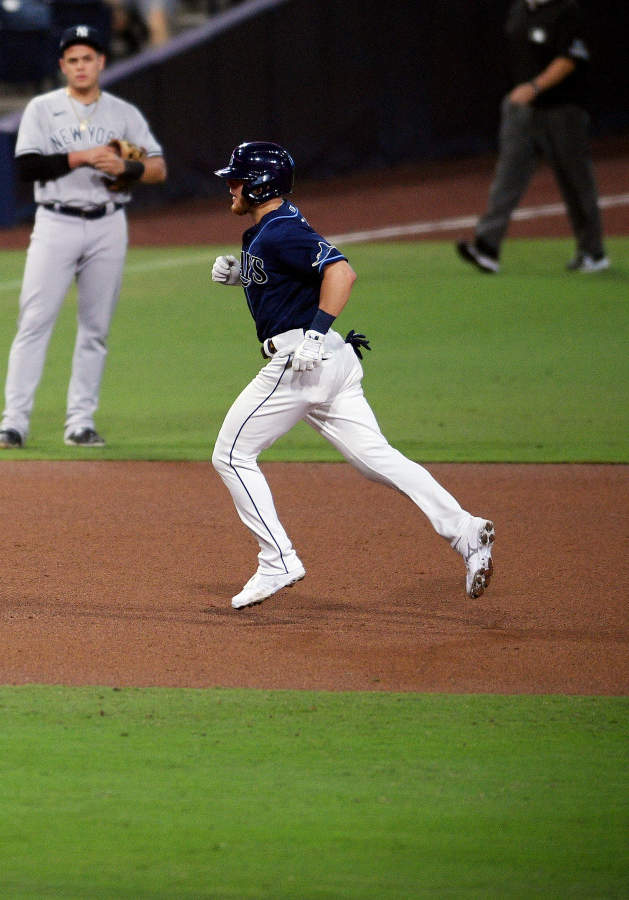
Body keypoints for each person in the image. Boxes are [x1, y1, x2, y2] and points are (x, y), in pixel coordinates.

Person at [209, 141, 495, 610]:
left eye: (236, 180)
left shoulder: (280, 232)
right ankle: (465, 531)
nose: (230, 187)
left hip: (303, 360)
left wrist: (315, 336)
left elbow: (341, 273)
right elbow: (290, 276)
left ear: (260, 185)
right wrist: (243, 275)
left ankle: (277, 559)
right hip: (332, 365)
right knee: (375, 458)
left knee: (231, 454)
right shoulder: (270, 230)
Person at [0, 25, 166, 450]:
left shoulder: (124, 112)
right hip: (55, 223)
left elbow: (158, 168)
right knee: (33, 322)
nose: (81, 66)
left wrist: (129, 169)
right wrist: (82, 156)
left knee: (96, 328)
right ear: (62, 66)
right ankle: (13, 423)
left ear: (101, 63)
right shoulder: (42, 108)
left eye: (88, 58)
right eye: (73, 60)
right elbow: (28, 167)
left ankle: (80, 423)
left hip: (108, 224)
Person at [457, 0, 607, 274]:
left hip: (562, 110)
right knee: (507, 177)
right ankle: (487, 247)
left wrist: (535, 87)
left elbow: (568, 60)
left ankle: (592, 252)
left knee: (575, 179)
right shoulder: (517, 10)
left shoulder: (567, 11)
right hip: (522, 111)